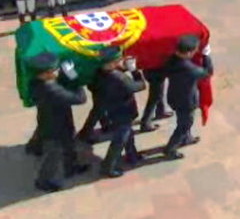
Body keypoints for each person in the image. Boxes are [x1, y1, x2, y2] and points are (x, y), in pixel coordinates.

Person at [27, 52, 89, 192]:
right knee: (54, 154)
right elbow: (80, 99)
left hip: (50, 119)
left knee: (69, 144)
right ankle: (43, 180)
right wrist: (75, 79)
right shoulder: (52, 89)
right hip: (56, 125)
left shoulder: (35, 82)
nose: (57, 71)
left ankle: (70, 166)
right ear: (45, 74)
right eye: (54, 70)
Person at [97, 46, 145, 178]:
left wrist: (123, 68)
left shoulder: (100, 73)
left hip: (112, 109)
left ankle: (132, 155)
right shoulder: (119, 78)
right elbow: (140, 85)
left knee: (128, 135)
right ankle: (108, 166)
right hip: (123, 111)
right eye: (118, 60)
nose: (120, 61)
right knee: (120, 140)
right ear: (111, 63)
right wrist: (134, 71)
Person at [163, 35, 213, 160]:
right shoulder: (189, 69)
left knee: (183, 121)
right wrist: (206, 56)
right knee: (184, 124)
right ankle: (171, 149)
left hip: (174, 96)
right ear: (189, 52)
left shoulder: (171, 60)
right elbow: (207, 72)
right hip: (186, 101)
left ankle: (187, 138)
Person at [139, 68, 173, 132]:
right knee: (154, 97)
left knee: (158, 91)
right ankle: (145, 123)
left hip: (149, 70)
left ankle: (160, 111)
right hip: (156, 70)